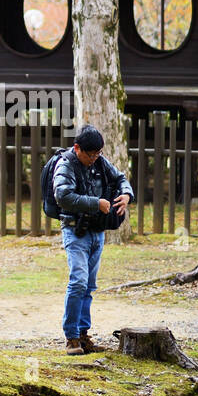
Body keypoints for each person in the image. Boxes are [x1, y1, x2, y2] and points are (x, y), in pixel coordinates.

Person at [54, 124, 134, 354]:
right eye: (91, 154)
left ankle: (83, 334)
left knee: (88, 286)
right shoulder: (66, 165)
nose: (95, 158)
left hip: (97, 231)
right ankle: (71, 338)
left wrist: (126, 194)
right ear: (77, 148)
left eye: (98, 153)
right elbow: (62, 195)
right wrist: (94, 202)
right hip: (75, 231)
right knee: (78, 281)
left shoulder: (100, 162)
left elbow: (120, 178)